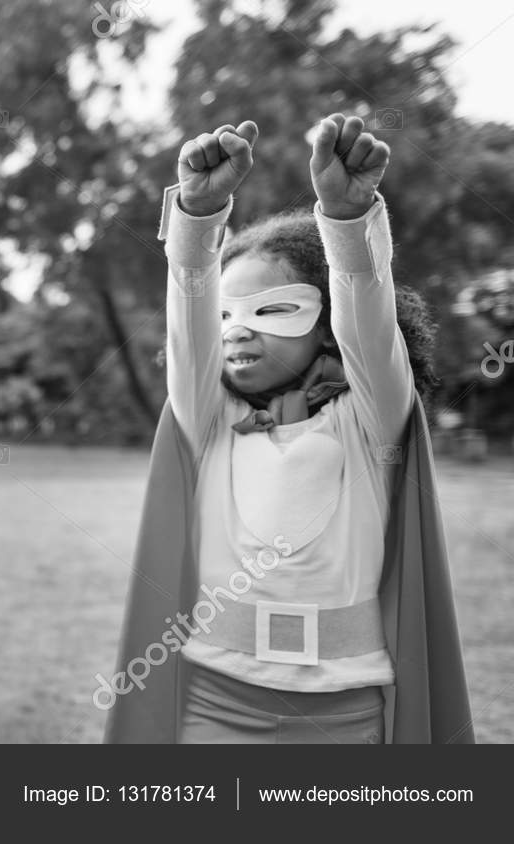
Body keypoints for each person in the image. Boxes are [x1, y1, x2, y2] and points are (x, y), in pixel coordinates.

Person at [105, 115, 473, 744]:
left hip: (344, 712)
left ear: (325, 324)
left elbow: (367, 319)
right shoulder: (208, 415)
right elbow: (189, 318)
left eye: (273, 310)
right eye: (226, 314)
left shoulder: (370, 420)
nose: (237, 329)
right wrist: (197, 220)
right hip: (213, 702)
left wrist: (348, 223)